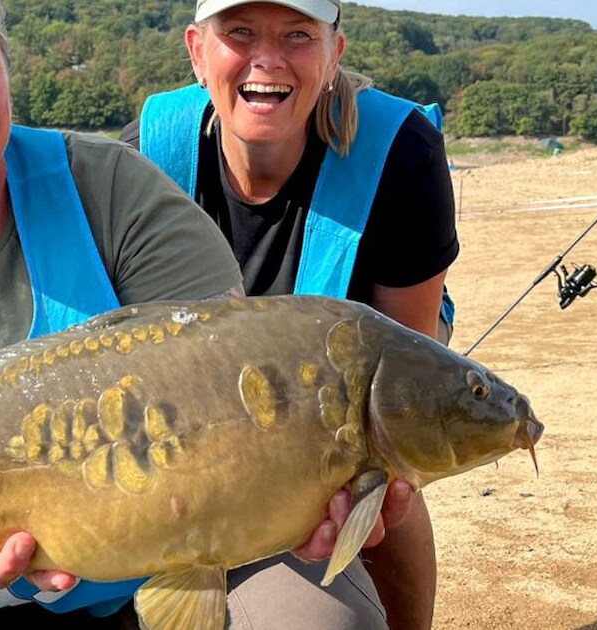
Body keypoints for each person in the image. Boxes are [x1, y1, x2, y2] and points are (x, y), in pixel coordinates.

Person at [0, 0, 408, 627]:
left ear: (4, 79)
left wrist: (302, 505)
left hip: (178, 565)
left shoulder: (120, 194)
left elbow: (226, 406)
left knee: (319, 614)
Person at [122, 1, 460, 628]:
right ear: (197, 50)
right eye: (240, 32)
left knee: (380, 452)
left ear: (335, 53)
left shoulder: (403, 152)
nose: (267, 60)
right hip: (209, 353)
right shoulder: (145, 154)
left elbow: (409, 352)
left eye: (298, 35)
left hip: (370, 345)